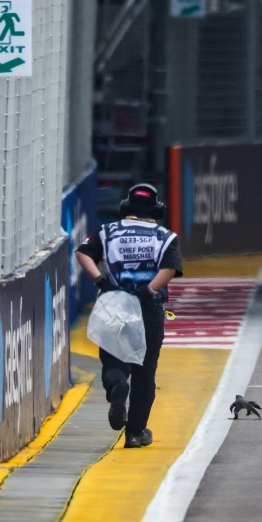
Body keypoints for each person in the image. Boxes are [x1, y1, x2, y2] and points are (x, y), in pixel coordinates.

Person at [75, 184, 183, 449]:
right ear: (158, 209)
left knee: (114, 358)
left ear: (125, 207)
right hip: (148, 308)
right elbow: (170, 269)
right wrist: (149, 290)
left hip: (114, 304)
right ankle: (135, 434)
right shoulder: (165, 236)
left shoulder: (107, 231)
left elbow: (82, 253)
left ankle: (117, 386)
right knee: (145, 373)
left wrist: (101, 280)